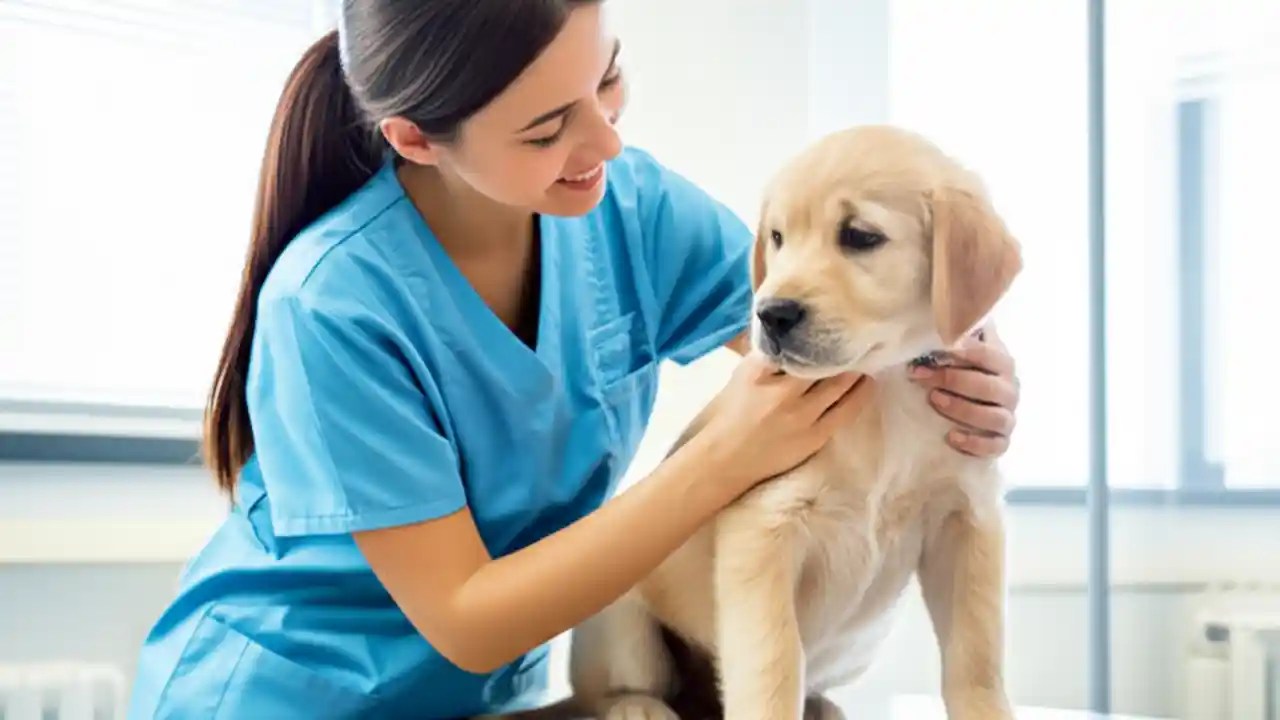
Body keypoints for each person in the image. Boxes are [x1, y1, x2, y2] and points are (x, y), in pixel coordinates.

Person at [127, 2, 1022, 718]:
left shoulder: (629, 208)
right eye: (549, 126)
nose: (606, 143)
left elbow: (824, 329)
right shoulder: (333, 303)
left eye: (608, 77)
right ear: (414, 139)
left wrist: (963, 360)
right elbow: (469, 620)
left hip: (502, 702)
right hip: (284, 699)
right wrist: (723, 458)